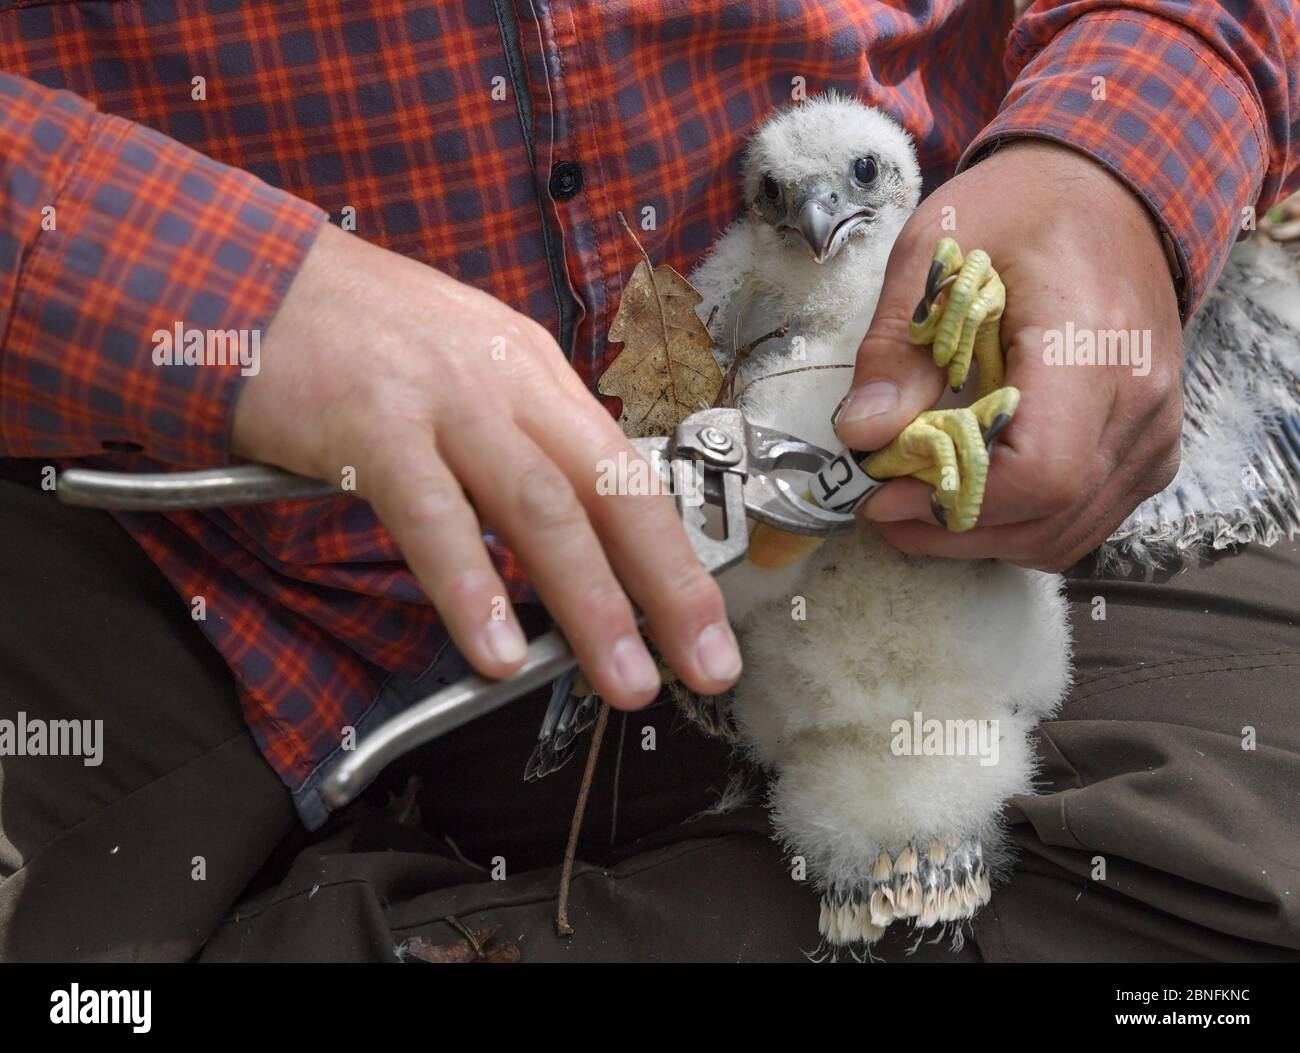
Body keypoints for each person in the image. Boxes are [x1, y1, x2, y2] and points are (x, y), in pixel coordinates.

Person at [0, 0, 1297, 962]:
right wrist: (217, 297)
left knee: (1255, 866)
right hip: (191, 560)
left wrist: (1118, 154)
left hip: (975, 463)